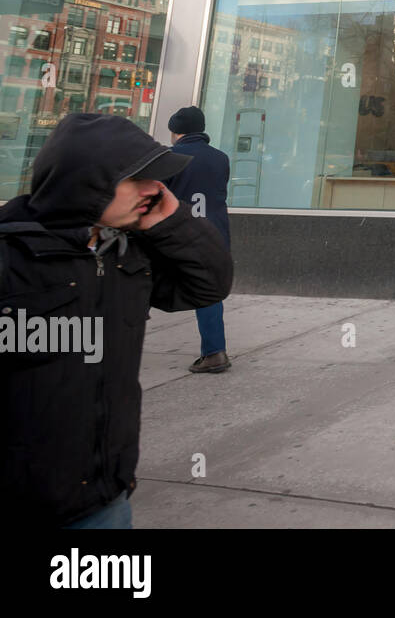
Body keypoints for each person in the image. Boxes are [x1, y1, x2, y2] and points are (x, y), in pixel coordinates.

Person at [0, 113, 233, 527]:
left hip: (107, 499)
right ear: (87, 184)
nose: (154, 189)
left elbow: (207, 286)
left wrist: (171, 222)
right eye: (138, 179)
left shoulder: (126, 254)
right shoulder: (12, 257)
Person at [164, 106, 233, 373]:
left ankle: (116, 343)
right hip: (213, 235)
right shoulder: (221, 158)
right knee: (209, 293)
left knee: (139, 281)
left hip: (178, 235)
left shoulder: (170, 157)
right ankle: (214, 352)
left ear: (175, 131)